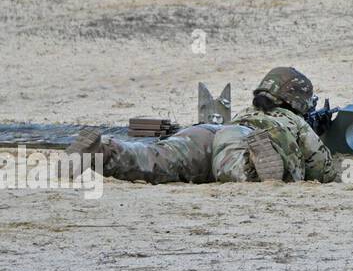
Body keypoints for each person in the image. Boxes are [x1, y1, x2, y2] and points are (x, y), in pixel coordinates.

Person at [64, 67, 338, 185]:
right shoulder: (293, 122)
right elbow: (322, 170)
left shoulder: (248, 111)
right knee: (239, 174)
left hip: (207, 132)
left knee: (154, 160)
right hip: (246, 140)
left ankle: (104, 150)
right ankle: (259, 170)